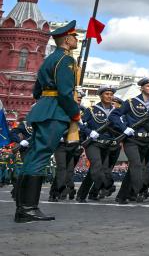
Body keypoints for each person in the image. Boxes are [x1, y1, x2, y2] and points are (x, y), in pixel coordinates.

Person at [14, 20, 81, 223]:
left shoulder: (49, 59)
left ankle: (22, 206)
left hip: (44, 109)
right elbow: (65, 92)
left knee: (34, 155)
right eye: (74, 36)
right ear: (67, 40)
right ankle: (28, 208)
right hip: (56, 112)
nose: (76, 39)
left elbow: (36, 90)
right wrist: (74, 112)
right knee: (41, 156)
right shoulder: (66, 61)